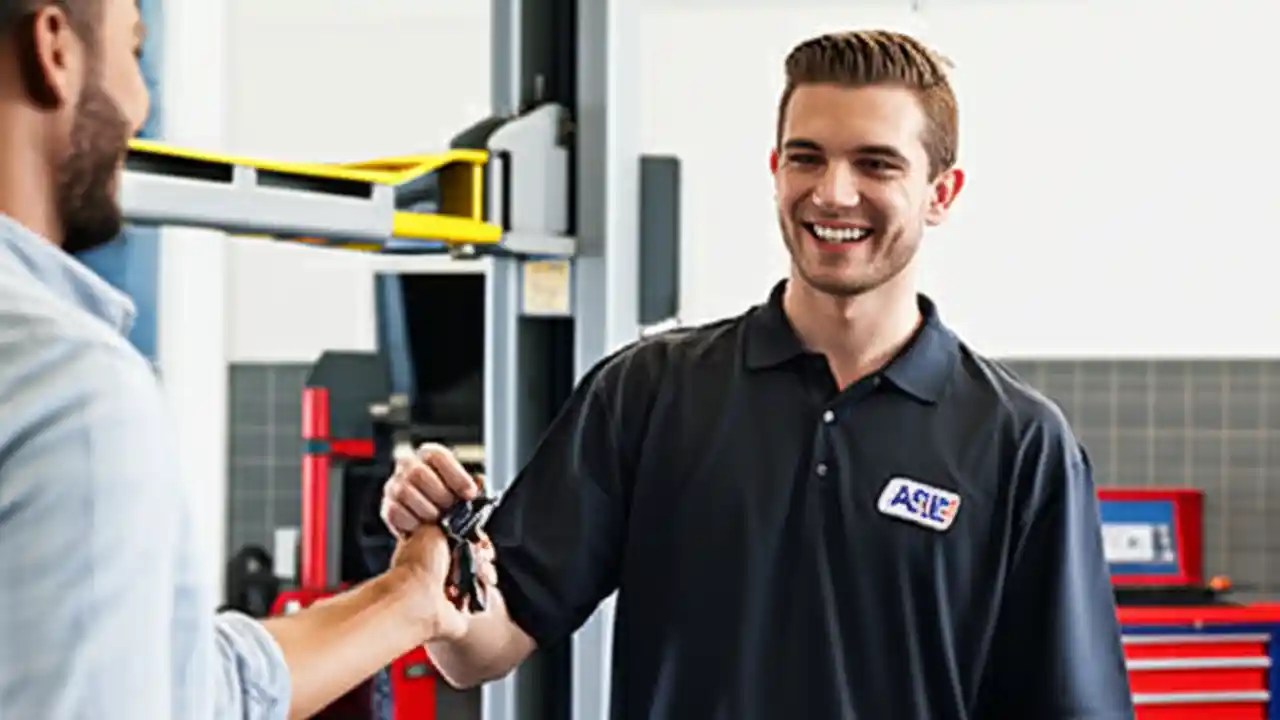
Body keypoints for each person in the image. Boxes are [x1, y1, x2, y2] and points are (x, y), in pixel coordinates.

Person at [380, 28, 1137, 720]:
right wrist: (433, 558)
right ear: (776, 171)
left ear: (941, 194)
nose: (833, 192)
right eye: (807, 157)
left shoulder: (1016, 442)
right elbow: (479, 650)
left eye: (875, 164)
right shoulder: (649, 394)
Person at [0, 0, 475, 717]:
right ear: (55, 50)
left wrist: (406, 598)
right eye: (134, 52)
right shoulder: (72, 393)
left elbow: (184, 688)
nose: (140, 106)